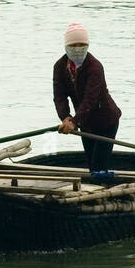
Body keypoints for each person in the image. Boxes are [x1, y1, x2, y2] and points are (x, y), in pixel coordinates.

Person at [53, 23, 122, 174]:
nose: (77, 49)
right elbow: (59, 97)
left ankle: (103, 192)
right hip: (86, 123)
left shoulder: (95, 67)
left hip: (106, 121)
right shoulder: (59, 67)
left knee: (98, 167)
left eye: (82, 45)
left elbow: (90, 99)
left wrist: (75, 121)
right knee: (91, 165)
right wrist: (65, 117)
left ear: (87, 45)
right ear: (66, 46)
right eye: (73, 45)